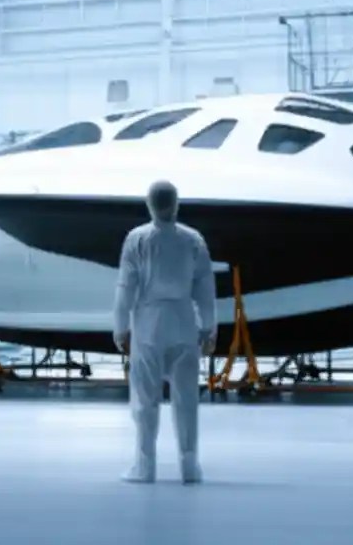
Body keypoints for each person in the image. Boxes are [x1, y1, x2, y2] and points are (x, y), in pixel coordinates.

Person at [113, 180, 217, 484]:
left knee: (145, 400)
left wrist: (121, 328)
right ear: (177, 203)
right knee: (187, 400)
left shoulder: (137, 239)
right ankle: (189, 465)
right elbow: (205, 288)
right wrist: (209, 328)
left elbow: (125, 287)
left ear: (149, 204)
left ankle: (145, 466)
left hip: (148, 324)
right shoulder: (193, 239)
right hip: (184, 322)